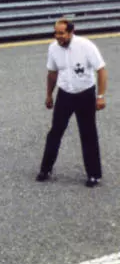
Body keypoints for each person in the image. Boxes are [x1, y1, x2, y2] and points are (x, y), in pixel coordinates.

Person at [38, 19, 107, 187]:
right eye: (56, 33)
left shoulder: (86, 46)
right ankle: (45, 169)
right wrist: (49, 95)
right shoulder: (53, 48)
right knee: (55, 132)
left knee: (88, 133)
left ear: (71, 32)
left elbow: (101, 69)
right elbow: (52, 73)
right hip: (65, 94)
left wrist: (101, 96)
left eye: (61, 33)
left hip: (85, 93)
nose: (58, 36)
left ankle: (94, 174)